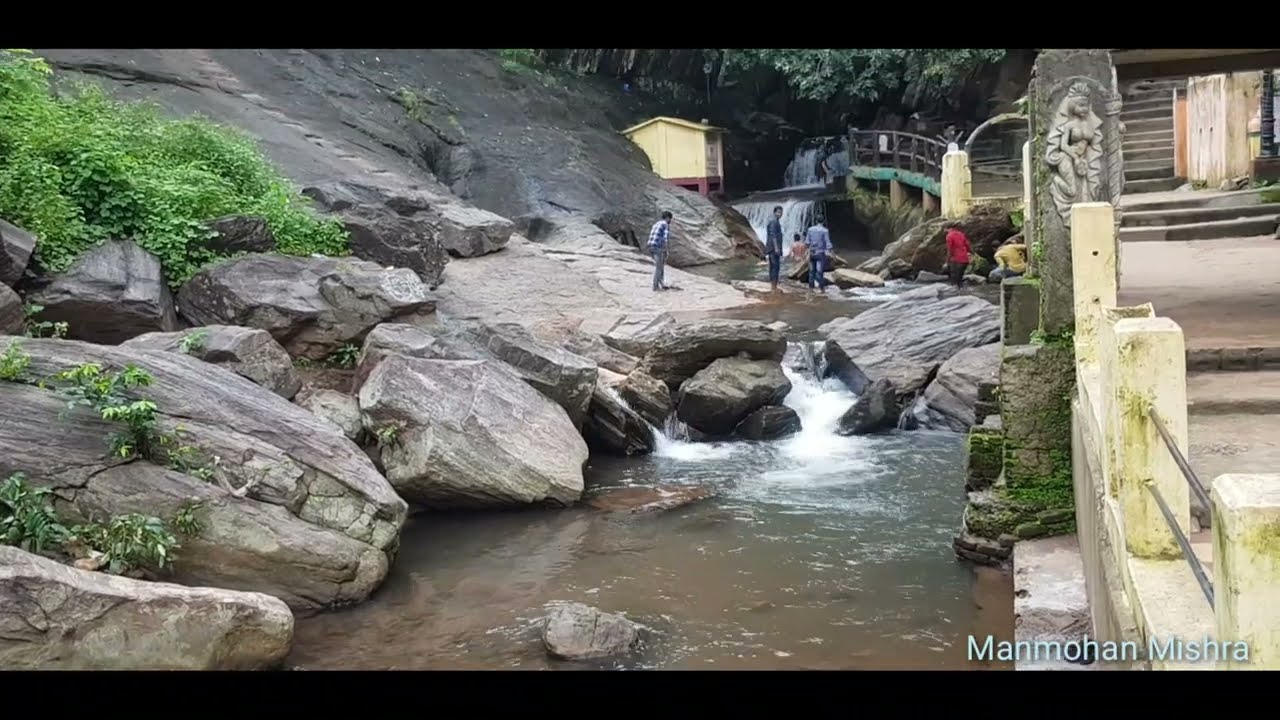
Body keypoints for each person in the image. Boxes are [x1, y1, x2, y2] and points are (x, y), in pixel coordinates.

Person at [647, 211, 673, 291]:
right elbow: (666, 238)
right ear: (668, 218)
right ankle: (655, 287)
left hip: (651, 246)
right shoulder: (665, 225)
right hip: (657, 247)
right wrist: (666, 250)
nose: (670, 221)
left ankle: (662, 283)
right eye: (670, 219)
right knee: (658, 267)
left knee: (660, 266)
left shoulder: (656, 224)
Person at [805, 220, 832, 292]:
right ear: (823, 222)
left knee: (811, 271)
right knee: (819, 271)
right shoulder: (825, 230)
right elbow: (828, 242)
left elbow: (807, 242)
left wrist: (807, 252)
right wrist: (831, 252)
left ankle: (811, 288)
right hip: (820, 253)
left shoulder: (810, 229)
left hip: (812, 253)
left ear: (816, 221)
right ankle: (822, 289)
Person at [765, 206, 785, 290]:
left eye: (781, 212)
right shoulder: (773, 222)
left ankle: (773, 283)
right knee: (775, 266)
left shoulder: (775, 221)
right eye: (778, 212)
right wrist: (776, 248)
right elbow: (773, 235)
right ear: (774, 212)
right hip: (773, 248)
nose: (779, 214)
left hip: (772, 247)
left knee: (773, 266)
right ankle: (774, 285)